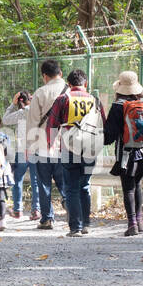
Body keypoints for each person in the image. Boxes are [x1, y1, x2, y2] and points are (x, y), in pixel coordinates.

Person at [45, 69, 98, 236]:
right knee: (85, 186)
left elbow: (52, 124)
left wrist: (50, 143)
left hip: (69, 148)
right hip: (90, 148)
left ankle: (75, 227)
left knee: (72, 188)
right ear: (86, 84)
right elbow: (103, 122)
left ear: (68, 84)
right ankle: (86, 224)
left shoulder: (63, 99)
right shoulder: (94, 100)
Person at [103, 71, 143, 236]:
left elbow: (109, 134)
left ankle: (132, 224)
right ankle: (140, 221)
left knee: (128, 188)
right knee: (137, 185)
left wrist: (101, 138)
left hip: (125, 154)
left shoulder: (118, 106)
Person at [26, 60, 69, 230]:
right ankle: (69, 206)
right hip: (66, 145)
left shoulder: (40, 92)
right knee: (64, 181)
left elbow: (32, 123)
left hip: (43, 146)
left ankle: (47, 219)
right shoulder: (70, 91)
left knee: (44, 184)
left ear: (44, 76)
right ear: (61, 73)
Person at [3, 90, 37, 219]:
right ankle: (36, 210)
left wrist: (12, 104)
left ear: (19, 101)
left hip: (22, 150)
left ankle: (18, 209)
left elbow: (5, 120)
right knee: (35, 181)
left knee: (18, 179)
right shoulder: (37, 110)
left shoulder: (21, 113)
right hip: (36, 149)